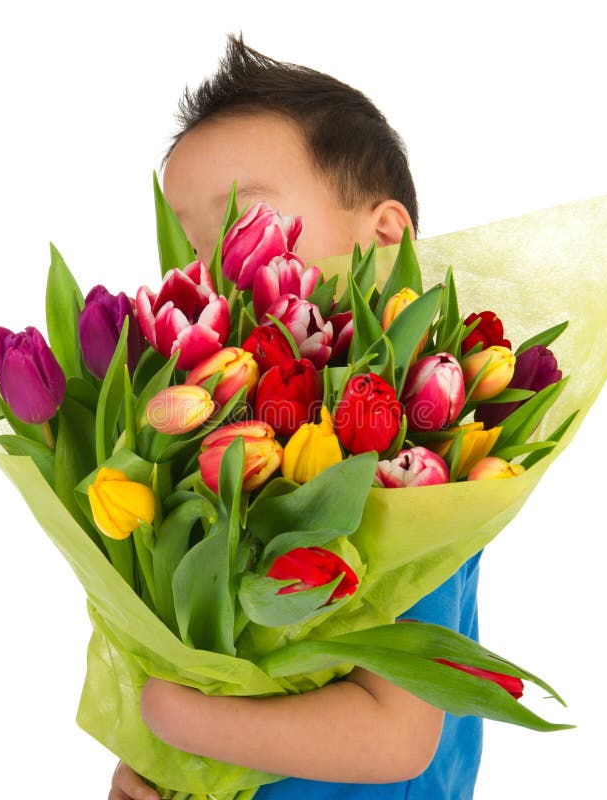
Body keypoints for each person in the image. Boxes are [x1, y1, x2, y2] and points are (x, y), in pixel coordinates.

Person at [109, 34, 482, 800]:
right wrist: (155, 769)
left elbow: (398, 736)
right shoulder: (212, 430)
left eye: (249, 218)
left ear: (384, 241)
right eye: (187, 239)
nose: (212, 262)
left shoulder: (410, 451)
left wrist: (173, 720)